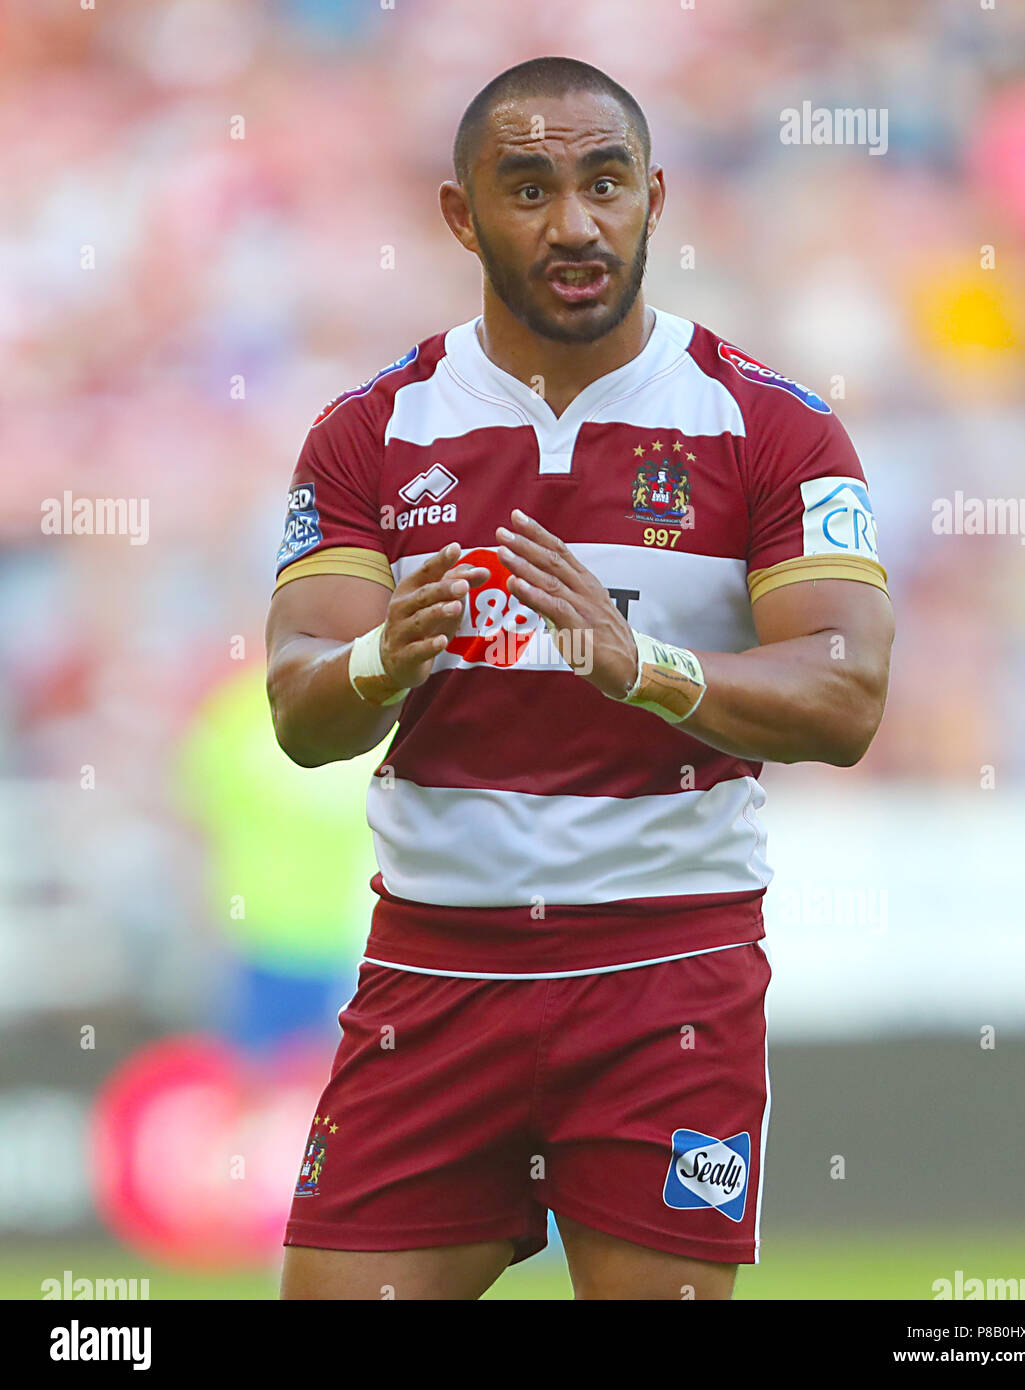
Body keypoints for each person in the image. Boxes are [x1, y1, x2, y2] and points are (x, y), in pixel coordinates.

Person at [266, 56, 894, 1301]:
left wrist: (641, 667)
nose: (574, 224)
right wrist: (388, 654)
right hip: (434, 973)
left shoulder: (772, 428)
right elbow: (297, 705)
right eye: (529, 188)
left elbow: (846, 694)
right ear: (461, 215)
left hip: (666, 977)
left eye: (606, 184)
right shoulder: (370, 431)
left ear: (654, 197)